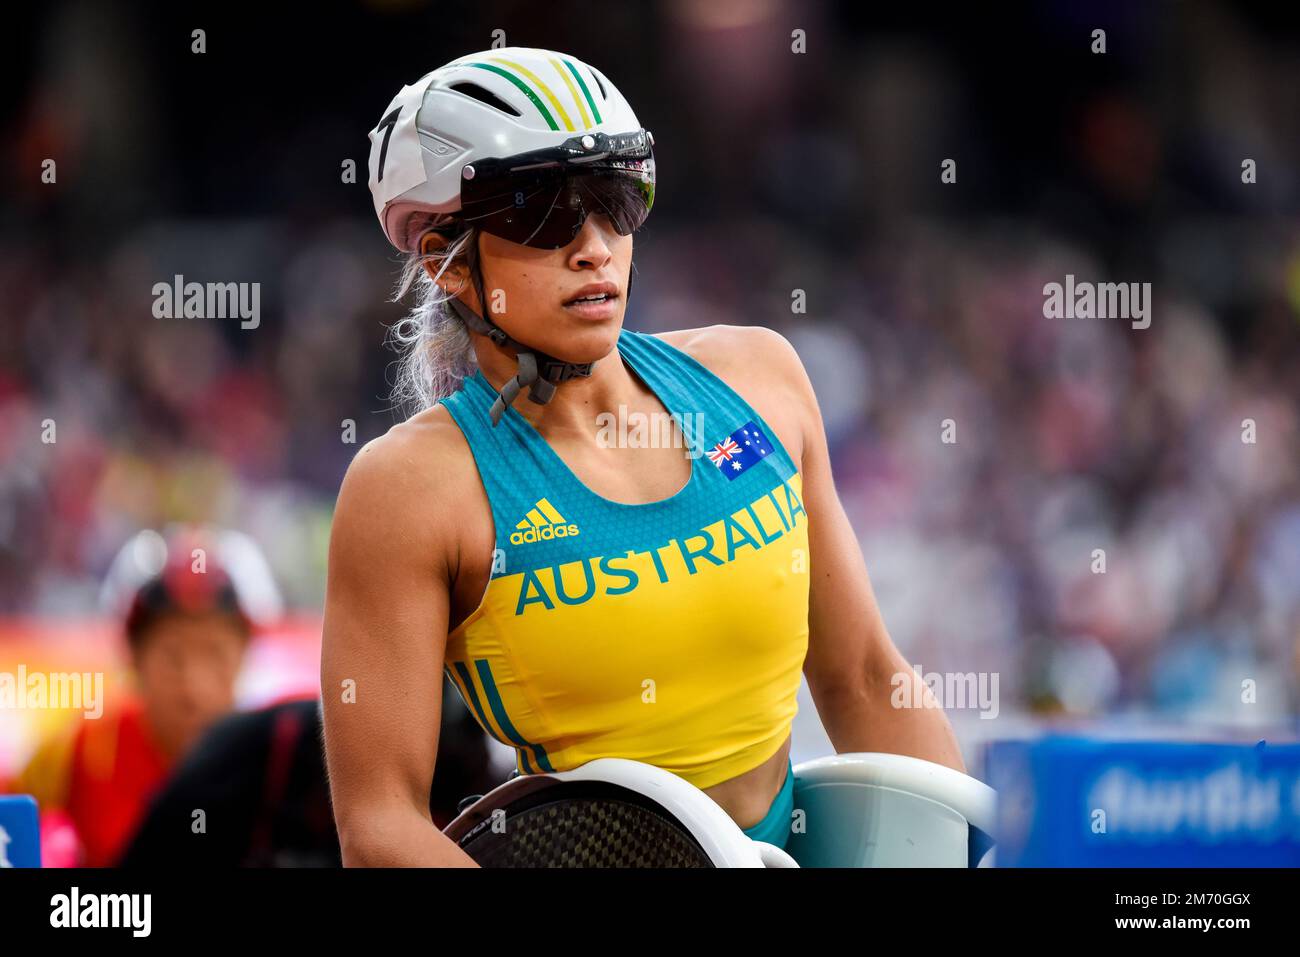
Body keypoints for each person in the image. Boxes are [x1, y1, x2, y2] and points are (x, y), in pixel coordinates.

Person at [322, 46, 965, 866]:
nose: (594, 246)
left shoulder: (760, 376)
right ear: (444, 260)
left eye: (615, 200)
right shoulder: (409, 489)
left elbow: (867, 677)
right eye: (543, 212)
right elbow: (379, 827)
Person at [15, 526, 271, 866]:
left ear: (244, 656)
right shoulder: (87, 748)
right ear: (133, 657)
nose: (193, 684)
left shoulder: (275, 761)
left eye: (215, 654)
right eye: (172, 656)